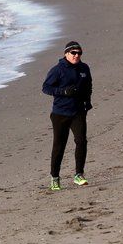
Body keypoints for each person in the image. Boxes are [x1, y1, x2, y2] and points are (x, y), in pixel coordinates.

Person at [42, 41, 93, 191]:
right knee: (59, 146)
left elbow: (88, 85)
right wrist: (63, 91)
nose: (76, 55)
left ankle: (79, 175)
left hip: (78, 112)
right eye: (73, 53)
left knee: (81, 141)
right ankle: (55, 178)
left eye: (79, 53)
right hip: (60, 114)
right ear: (66, 54)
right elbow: (46, 87)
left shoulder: (84, 68)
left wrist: (87, 101)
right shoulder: (57, 70)